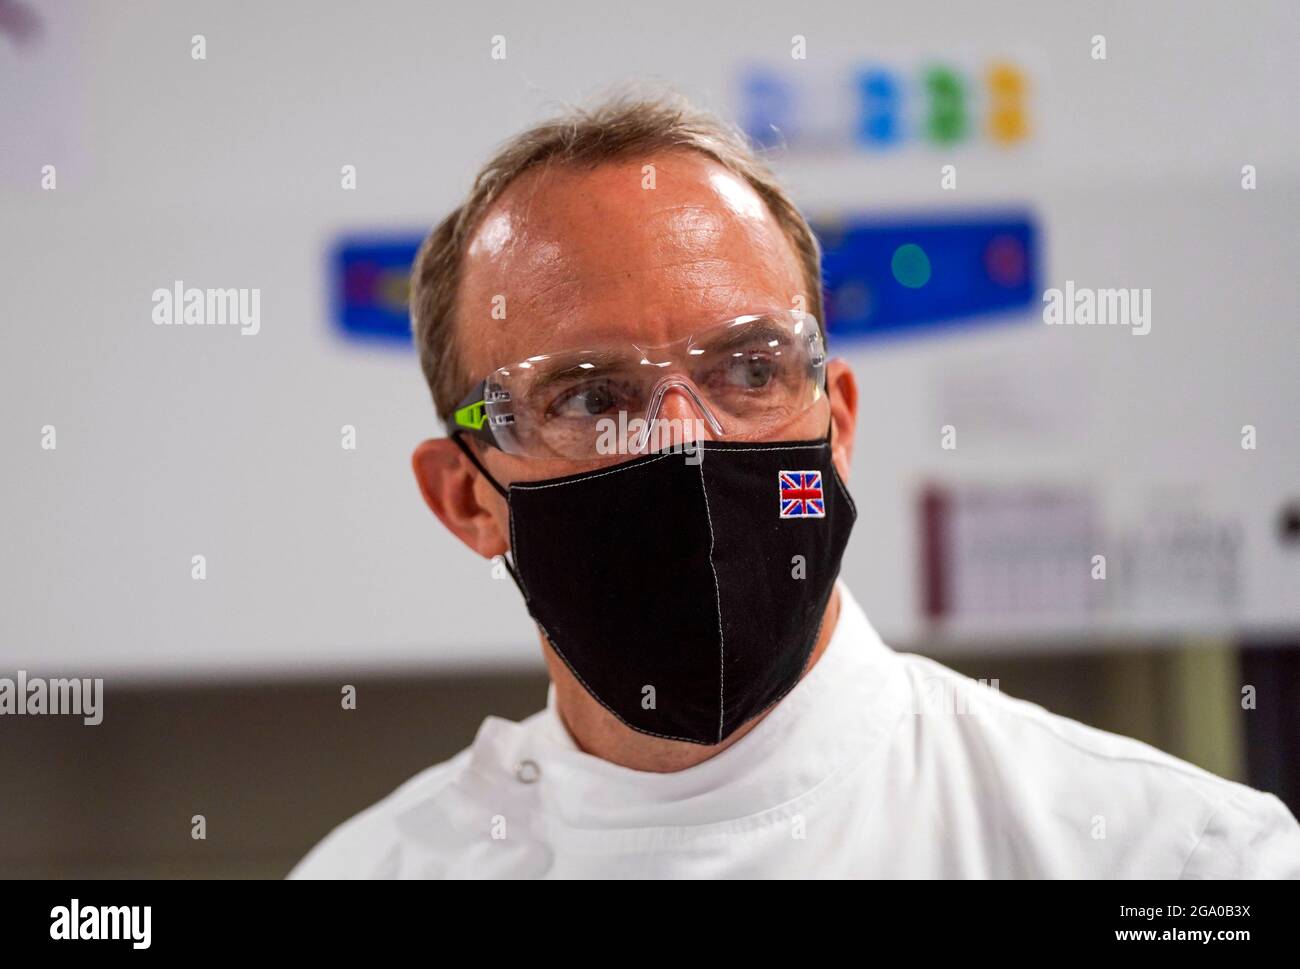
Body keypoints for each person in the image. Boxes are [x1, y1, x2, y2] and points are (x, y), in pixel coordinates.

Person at [290, 92, 1300, 878]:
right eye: (591, 398)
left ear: (837, 426)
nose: (683, 440)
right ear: (466, 499)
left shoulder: (1171, 858)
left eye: (749, 371)